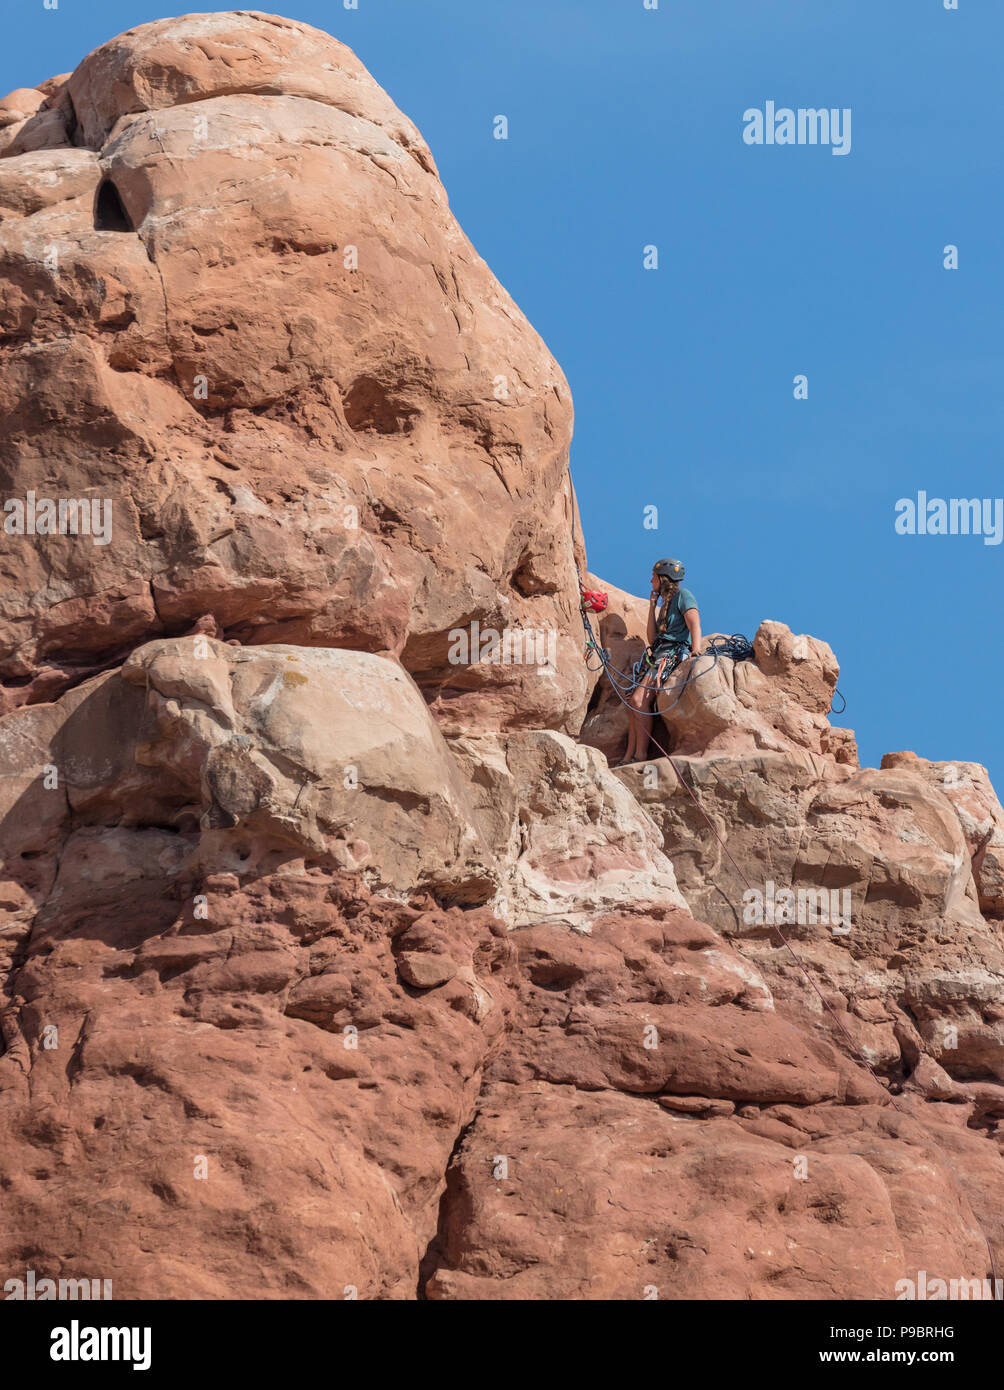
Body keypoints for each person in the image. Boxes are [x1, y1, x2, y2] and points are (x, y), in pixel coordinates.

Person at [619, 559, 702, 766]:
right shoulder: (664, 604)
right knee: (632, 703)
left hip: (672, 653)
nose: (650, 580)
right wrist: (651, 606)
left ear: (663, 579)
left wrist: (696, 650)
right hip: (657, 652)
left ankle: (640, 756)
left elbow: (695, 624)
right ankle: (628, 756)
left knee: (639, 700)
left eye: (653, 577)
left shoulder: (684, 596)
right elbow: (651, 638)